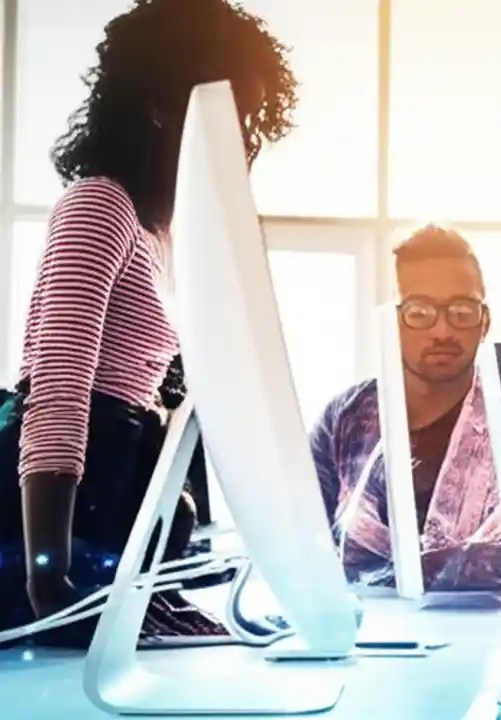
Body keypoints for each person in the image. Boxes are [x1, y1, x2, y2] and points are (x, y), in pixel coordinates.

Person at [0, 0, 297, 646]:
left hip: (111, 519)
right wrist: (48, 579)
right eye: (230, 116)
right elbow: (55, 391)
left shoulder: (168, 237)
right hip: (49, 530)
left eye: (251, 121)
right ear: (163, 107)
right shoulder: (100, 205)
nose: (245, 140)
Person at [311, 225, 501, 591]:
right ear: (390, 321)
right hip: (363, 634)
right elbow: (302, 543)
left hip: (495, 629)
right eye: (419, 311)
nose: (442, 331)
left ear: (485, 322)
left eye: (462, 311)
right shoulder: (343, 420)